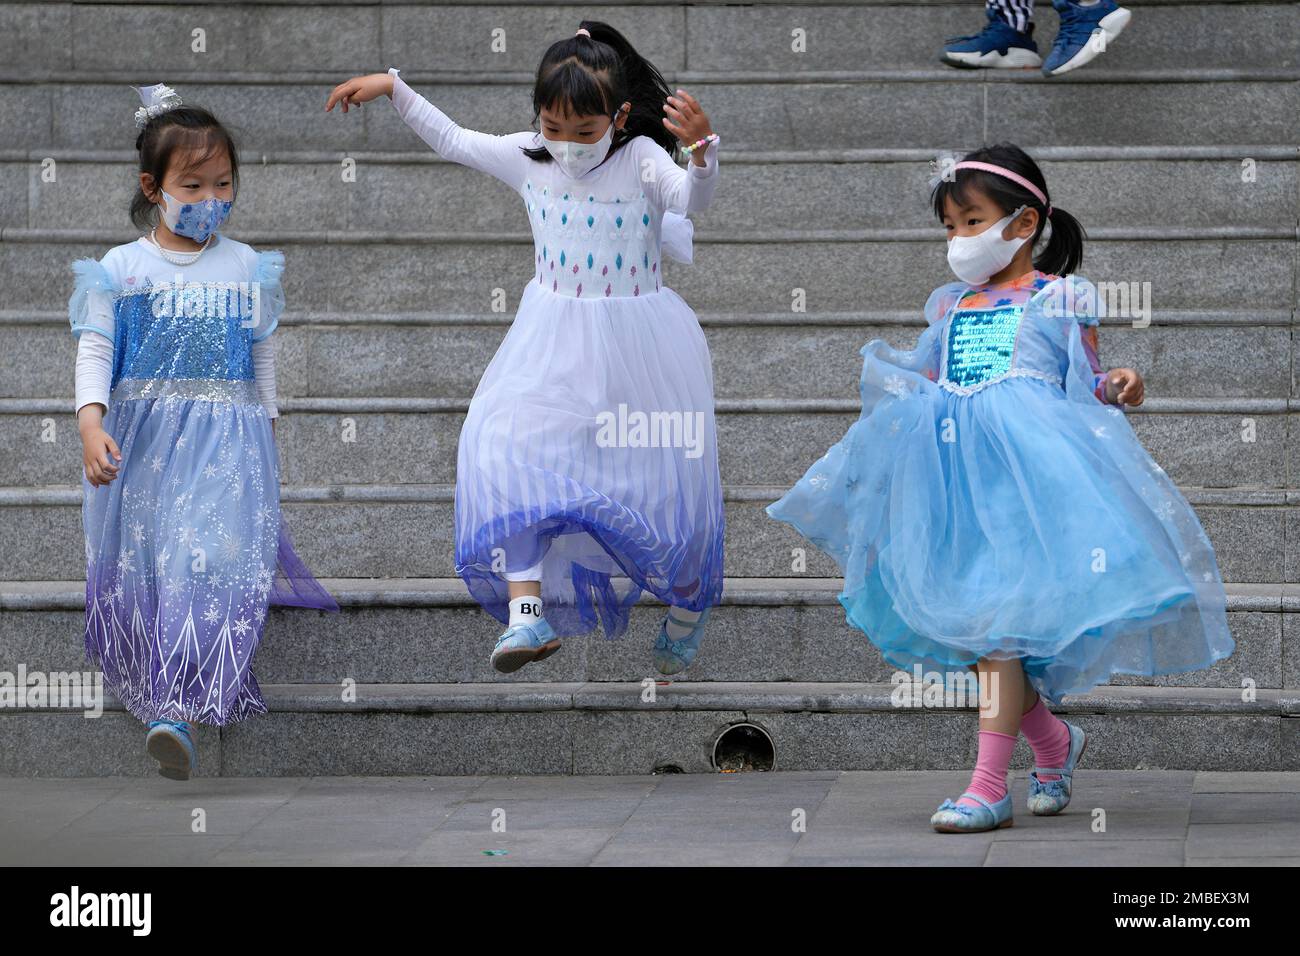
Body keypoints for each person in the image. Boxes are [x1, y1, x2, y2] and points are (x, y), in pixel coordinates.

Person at [766, 143, 1234, 832]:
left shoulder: (1061, 296)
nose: (958, 240)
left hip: (1030, 485)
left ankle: (988, 786)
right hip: (957, 485)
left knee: (997, 634)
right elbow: (930, 378)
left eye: (970, 221)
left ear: (1022, 224)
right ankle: (1051, 741)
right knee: (981, 631)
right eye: (950, 227)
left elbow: (1085, 383)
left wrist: (1119, 385)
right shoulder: (951, 304)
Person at [323, 21, 724, 676]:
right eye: (552, 127)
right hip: (551, 345)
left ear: (619, 117)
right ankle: (526, 615)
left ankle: (687, 602)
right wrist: (394, 87)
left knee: (665, 487)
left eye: (584, 131)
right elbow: (453, 139)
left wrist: (702, 148)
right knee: (498, 445)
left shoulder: (644, 159)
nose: (566, 146)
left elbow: (693, 197)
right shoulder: (528, 156)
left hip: (639, 347)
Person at [71, 84, 339, 780]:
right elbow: (96, 349)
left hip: (227, 442)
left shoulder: (248, 265)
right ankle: (165, 696)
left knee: (205, 558)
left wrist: (269, 423)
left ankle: (176, 708)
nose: (210, 198)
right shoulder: (122, 268)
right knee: (158, 563)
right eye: (193, 184)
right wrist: (90, 424)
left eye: (224, 184)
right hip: (144, 444)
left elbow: (260, 353)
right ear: (153, 187)